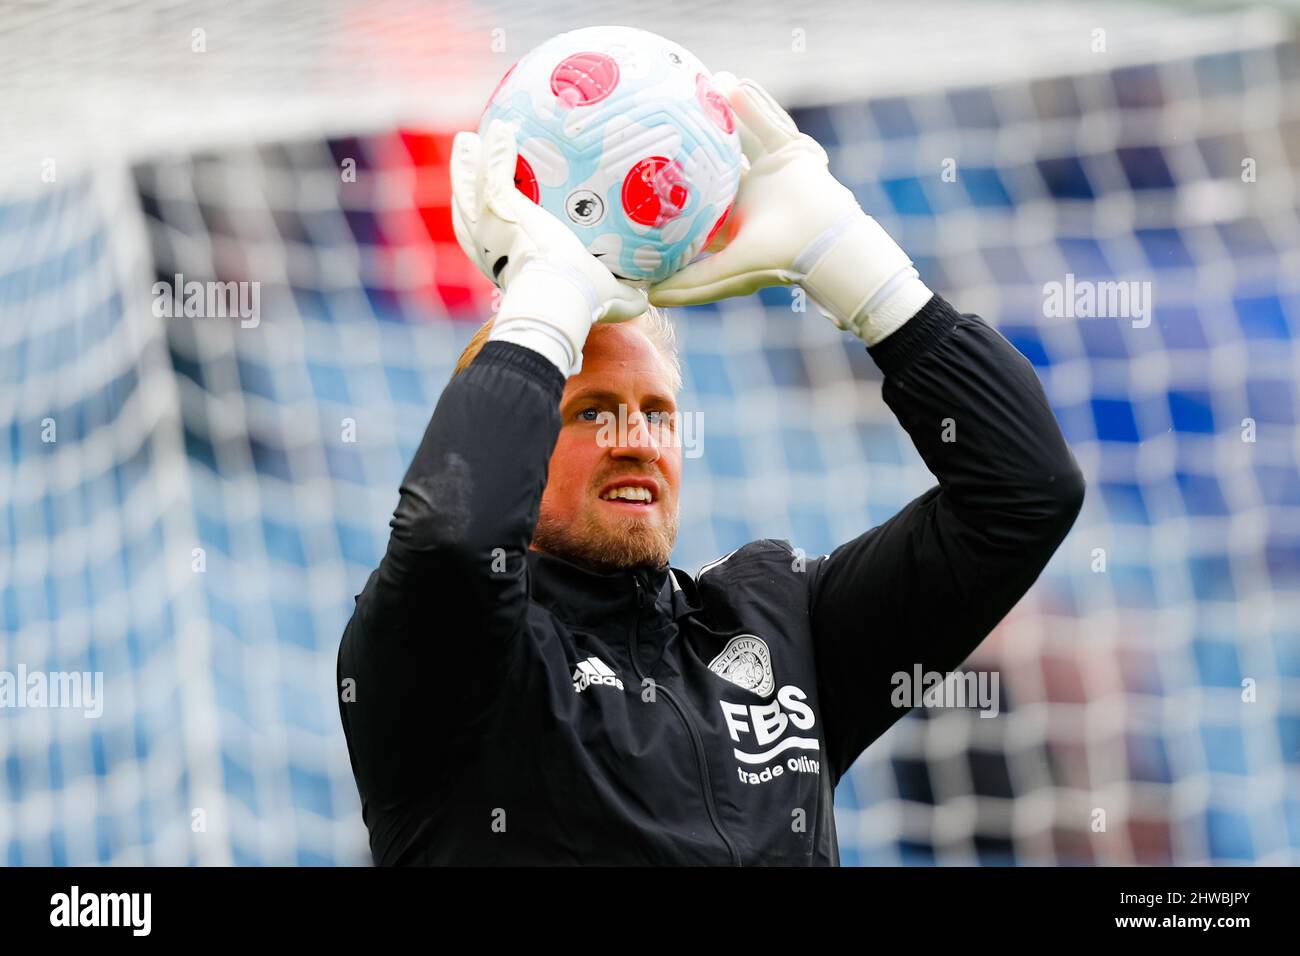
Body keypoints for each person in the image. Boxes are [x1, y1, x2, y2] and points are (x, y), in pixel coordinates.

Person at [337, 74, 1085, 865]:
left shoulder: (782, 624)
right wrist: (545, 302)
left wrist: (856, 266)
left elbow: (1025, 492)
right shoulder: (447, 655)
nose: (636, 438)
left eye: (657, 412)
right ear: (517, 437)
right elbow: (454, 538)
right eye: (589, 411)